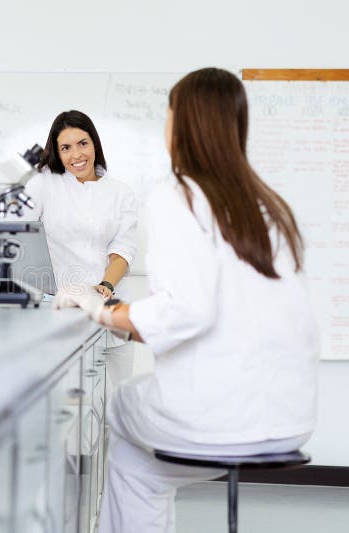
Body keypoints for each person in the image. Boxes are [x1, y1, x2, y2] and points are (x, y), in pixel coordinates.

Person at [55, 68, 319, 533]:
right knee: (141, 470)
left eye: (169, 113)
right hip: (291, 418)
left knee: (119, 407)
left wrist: (103, 309)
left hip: (220, 420)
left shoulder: (179, 197)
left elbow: (186, 311)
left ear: (182, 124)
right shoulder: (269, 205)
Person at [25, 110, 138, 300]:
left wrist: (105, 285)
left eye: (83, 144)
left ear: (94, 143)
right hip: (57, 300)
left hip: (106, 298)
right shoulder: (42, 184)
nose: (76, 155)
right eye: (66, 148)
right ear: (57, 153)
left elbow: (122, 250)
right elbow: (14, 231)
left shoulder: (121, 192)